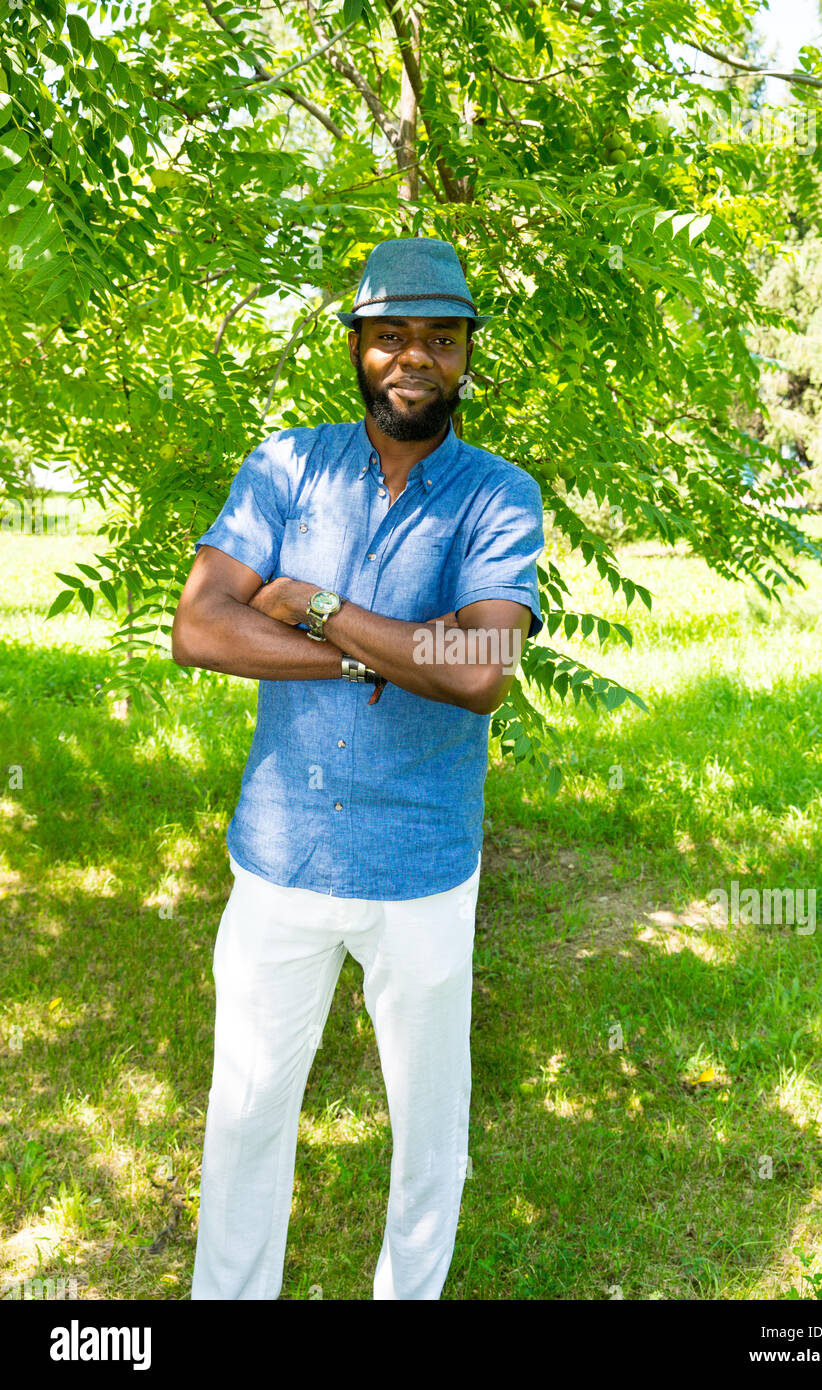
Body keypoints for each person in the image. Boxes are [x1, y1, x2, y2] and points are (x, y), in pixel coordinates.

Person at [172, 236, 545, 1300]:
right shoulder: (285, 465)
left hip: (420, 863)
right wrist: (369, 652)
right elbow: (200, 627)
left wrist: (315, 604)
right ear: (357, 348)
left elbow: (480, 670)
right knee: (245, 1113)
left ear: (468, 352)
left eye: (437, 336)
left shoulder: (496, 495)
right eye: (390, 336)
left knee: (428, 1131)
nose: (412, 356)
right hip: (280, 852)